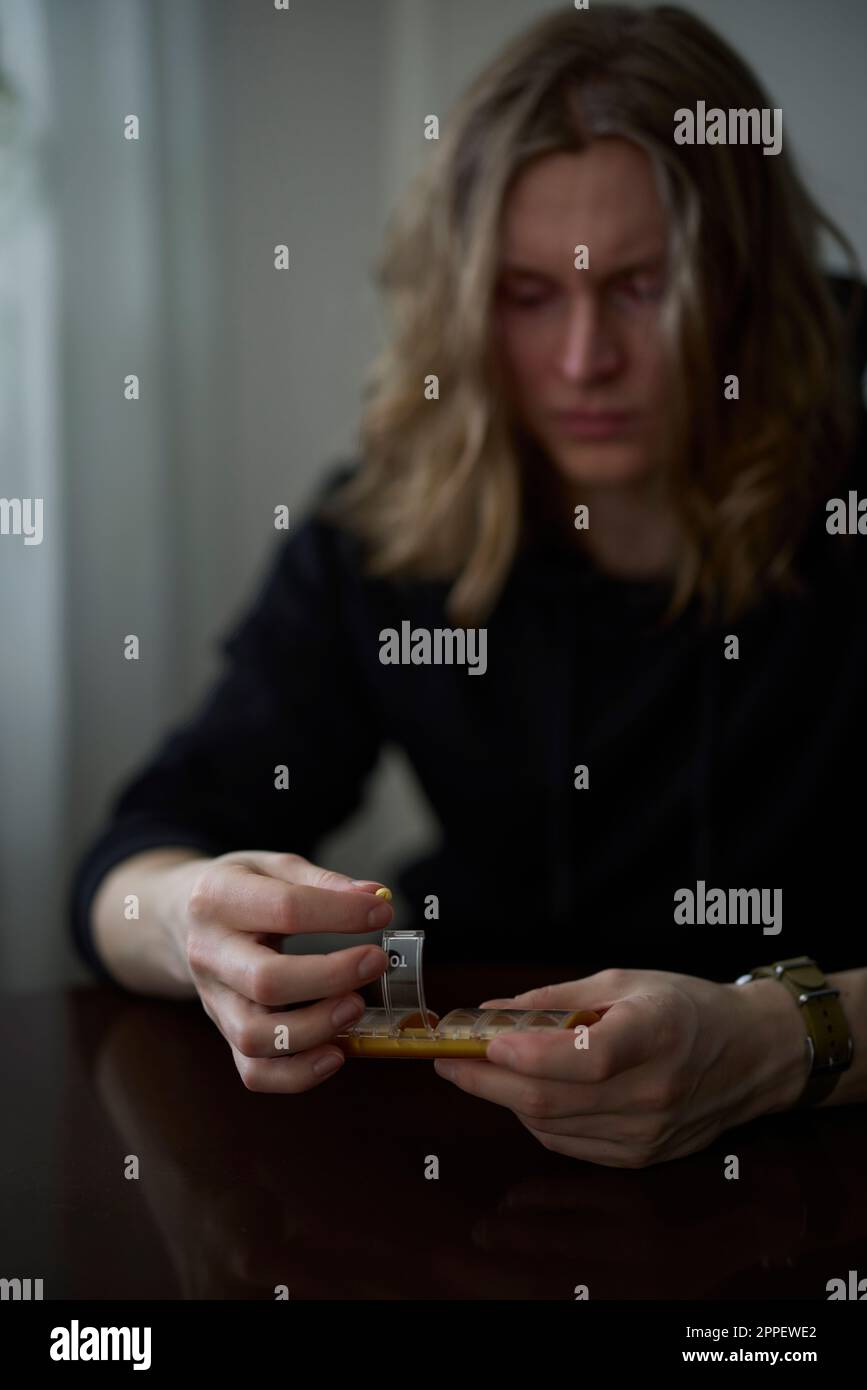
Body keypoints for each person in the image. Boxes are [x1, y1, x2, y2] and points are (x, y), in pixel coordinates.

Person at [69, 4, 867, 1168]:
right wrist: (194, 917)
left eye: (643, 288)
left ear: (748, 285)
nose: (585, 359)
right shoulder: (385, 530)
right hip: (471, 1176)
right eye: (527, 295)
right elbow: (131, 864)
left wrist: (778, 1038)